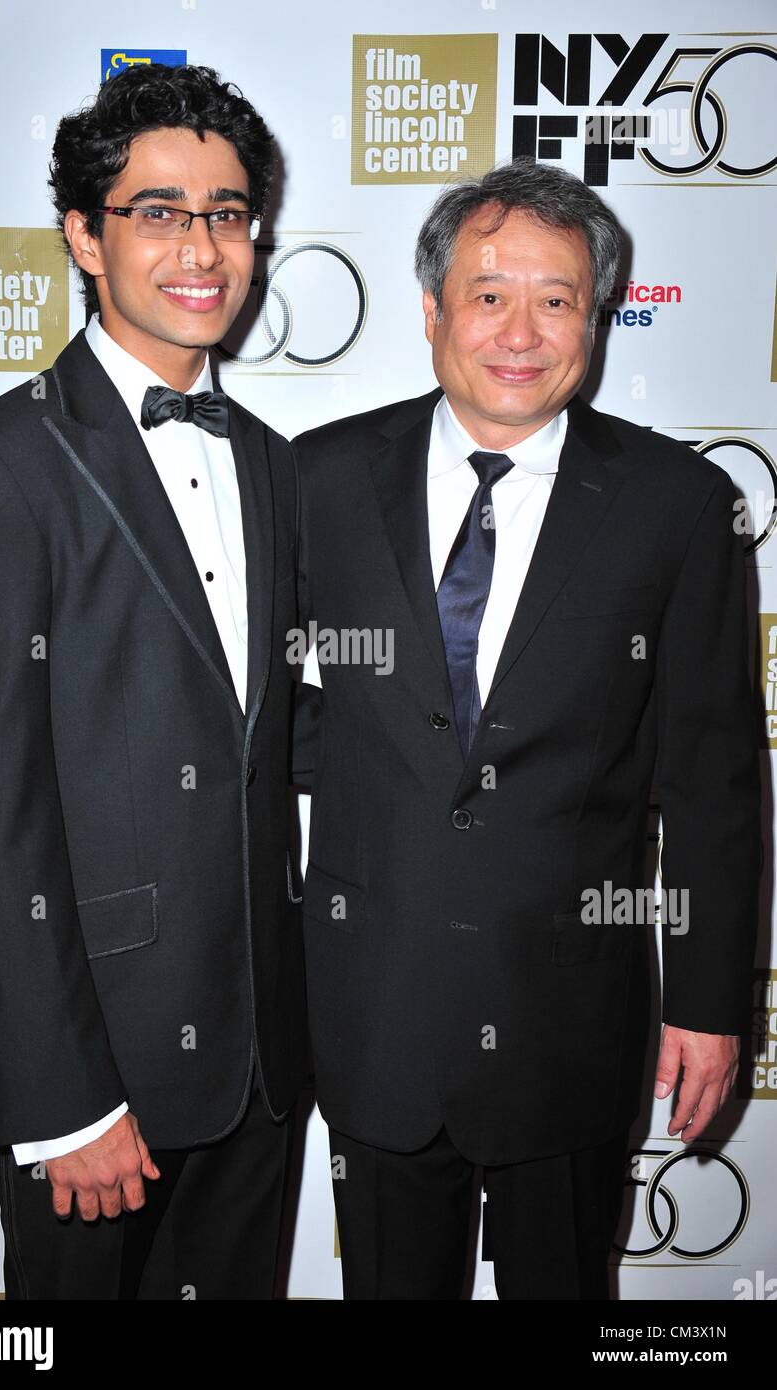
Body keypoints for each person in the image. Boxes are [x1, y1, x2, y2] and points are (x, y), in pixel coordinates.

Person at [292, 157, 761, 1300]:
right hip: (374, 1011)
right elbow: (264, 719)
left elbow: (710, 773)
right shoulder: (314, 480)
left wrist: (706, 1003)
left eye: (555, 299)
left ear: (595, 317)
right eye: (487, 292)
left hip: (568, 1018)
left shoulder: (677, 504)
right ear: (429, 309)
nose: (519, 330)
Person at [0, 62, 309, 1300]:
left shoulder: (278, 469)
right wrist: (63, 1095)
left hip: (258, 1064)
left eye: (227, 213)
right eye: (157, 211)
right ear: (83, 234)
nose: (202, 248)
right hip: (96, 1077)